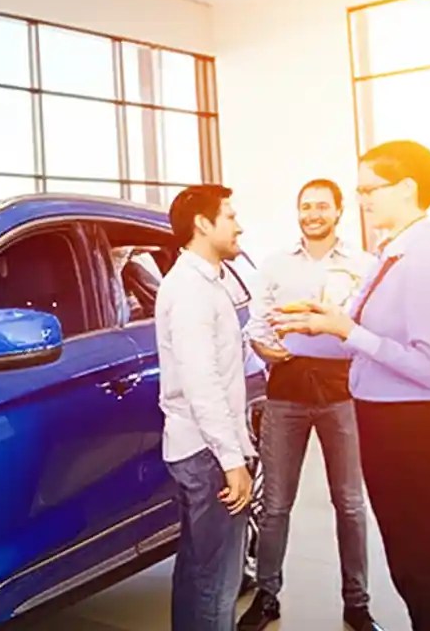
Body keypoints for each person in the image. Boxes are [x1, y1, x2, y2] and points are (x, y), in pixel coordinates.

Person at [271, 140, 430, 631]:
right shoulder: (391, 255)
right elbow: (356, 339)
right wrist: (298, 337)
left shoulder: (426, 259)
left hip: (414, 428)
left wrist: (346, 330)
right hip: (383, 422)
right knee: (407, 565)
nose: (361, 200)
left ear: (406, 188)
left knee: (421, 568)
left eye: (368, 190)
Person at [238, 179, 382, 631]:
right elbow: (255, 323)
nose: (313, 213)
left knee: (350, 503)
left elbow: (374, 326)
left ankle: (356, 603)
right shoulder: (276, 265)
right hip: (287, 386)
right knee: (276, 504)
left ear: (339, 211)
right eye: (305, 206)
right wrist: (262, 348)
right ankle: (267, 595)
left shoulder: (364, 264)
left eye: (322, 206)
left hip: (345, 389)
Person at [156, 184, 255, 631]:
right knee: (217, 581)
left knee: (197, 571)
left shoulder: (199, 283)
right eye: (230, 217)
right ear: (203, 223)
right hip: (208, 451)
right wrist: (232, 459)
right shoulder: (192, 290)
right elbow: (202, 382)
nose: (239, 226)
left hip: (196, 447)